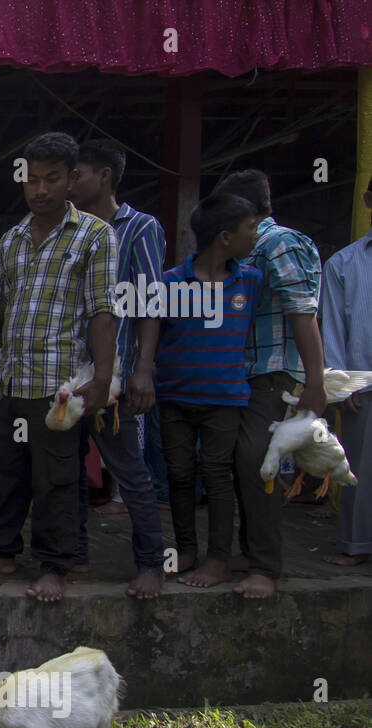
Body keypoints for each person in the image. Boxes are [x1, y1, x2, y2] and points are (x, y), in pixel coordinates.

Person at [0, 131, 117, 604]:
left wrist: (102, 379)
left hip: (59, 386)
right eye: (32, 179)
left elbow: (103, 311)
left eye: (52, 179)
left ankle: (55, 565)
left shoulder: (95, 236)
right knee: (3, 470)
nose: (39, 189)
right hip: (10, 379)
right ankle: (1, 551)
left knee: (57, 478)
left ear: (70, 180)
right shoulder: (11, 240)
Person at [217, 169, 327, 599]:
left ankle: (266, 566)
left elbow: (304, 311)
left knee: (256, 458)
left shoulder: (279, 242)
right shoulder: (243, 245)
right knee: (238, 459)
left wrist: (314, 382)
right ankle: (251, 551)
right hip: (245, 369)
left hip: (276, 370)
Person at [69, 139, 167, 599]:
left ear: (104, 176)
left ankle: (151, 564)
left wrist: (142, 369)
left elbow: (151, 302)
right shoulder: (72, 231)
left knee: (130, 471)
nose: (69, 184)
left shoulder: (140, 227)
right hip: (70, 376)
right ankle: (76, 555)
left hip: (118, 375)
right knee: (67, 471)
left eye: (77, 174)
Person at [156, 193, 263, 588]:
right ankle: (186, 549)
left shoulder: (251, 281)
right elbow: (154, 333)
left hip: (225, 400)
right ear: (224, 236)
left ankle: (218, 559)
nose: (256, 235)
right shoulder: (170, 282)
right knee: (179, 474)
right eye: (250, 228)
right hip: (174, 397)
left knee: (217, 475)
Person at [319, 177, 372, 567]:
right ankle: (357, 545)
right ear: (369, 200)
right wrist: (339, 382)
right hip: (364, 380)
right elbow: (333, 325)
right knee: (358, 469)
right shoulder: (344, 263)